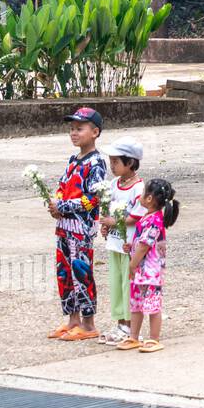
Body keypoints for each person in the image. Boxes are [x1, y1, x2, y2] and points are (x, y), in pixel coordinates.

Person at [48, 107, 108, 341]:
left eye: (79, 129)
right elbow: (63, 186)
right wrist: (55, 203)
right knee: (64, 273)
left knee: (81, 272)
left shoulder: (96, 163)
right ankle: (72, 319)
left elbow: (94, 197)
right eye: (71, 129)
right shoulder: (73, 160)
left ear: (95, 132)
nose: (74, 133)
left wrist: (63, 207)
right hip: (64, 227)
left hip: (81, 229)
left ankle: (88, 323)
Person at [117, 178, 179, 353]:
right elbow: (140, 242)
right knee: (136, 304)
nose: (140, 197)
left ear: (150, 198)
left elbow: (145, 245)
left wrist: (132, 264)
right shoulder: (147, 217)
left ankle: (154, 338)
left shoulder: (155, 220)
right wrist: (131, 246)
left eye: (143, 194)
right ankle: (134, 337)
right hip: (140, 271)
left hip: (150, 271)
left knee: (153, 305)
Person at [98, 139, 146, 346]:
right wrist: (106, 224)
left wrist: (113, 221)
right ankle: (120, 323)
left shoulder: (139, 188)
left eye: (116, 161)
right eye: (111, 161)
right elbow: (108, 209)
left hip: (130, 246)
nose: (112, 165)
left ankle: (129, 326)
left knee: (129, 285)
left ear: (130, 163)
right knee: (116, 284)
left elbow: (135, 217)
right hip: (115, 244)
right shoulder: (113, 184)